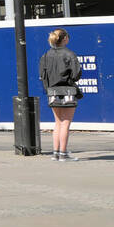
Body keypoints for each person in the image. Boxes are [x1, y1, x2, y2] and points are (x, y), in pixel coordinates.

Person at [40, 28, 83, 161]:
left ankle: (56, 153)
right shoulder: (70, 54)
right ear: (65, 39)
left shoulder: (46, 55)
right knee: (65, 122)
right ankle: (63, 154)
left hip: (52, 91)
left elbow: (42, 75)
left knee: (58, 122)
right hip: (68, 90)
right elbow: (76, 74)